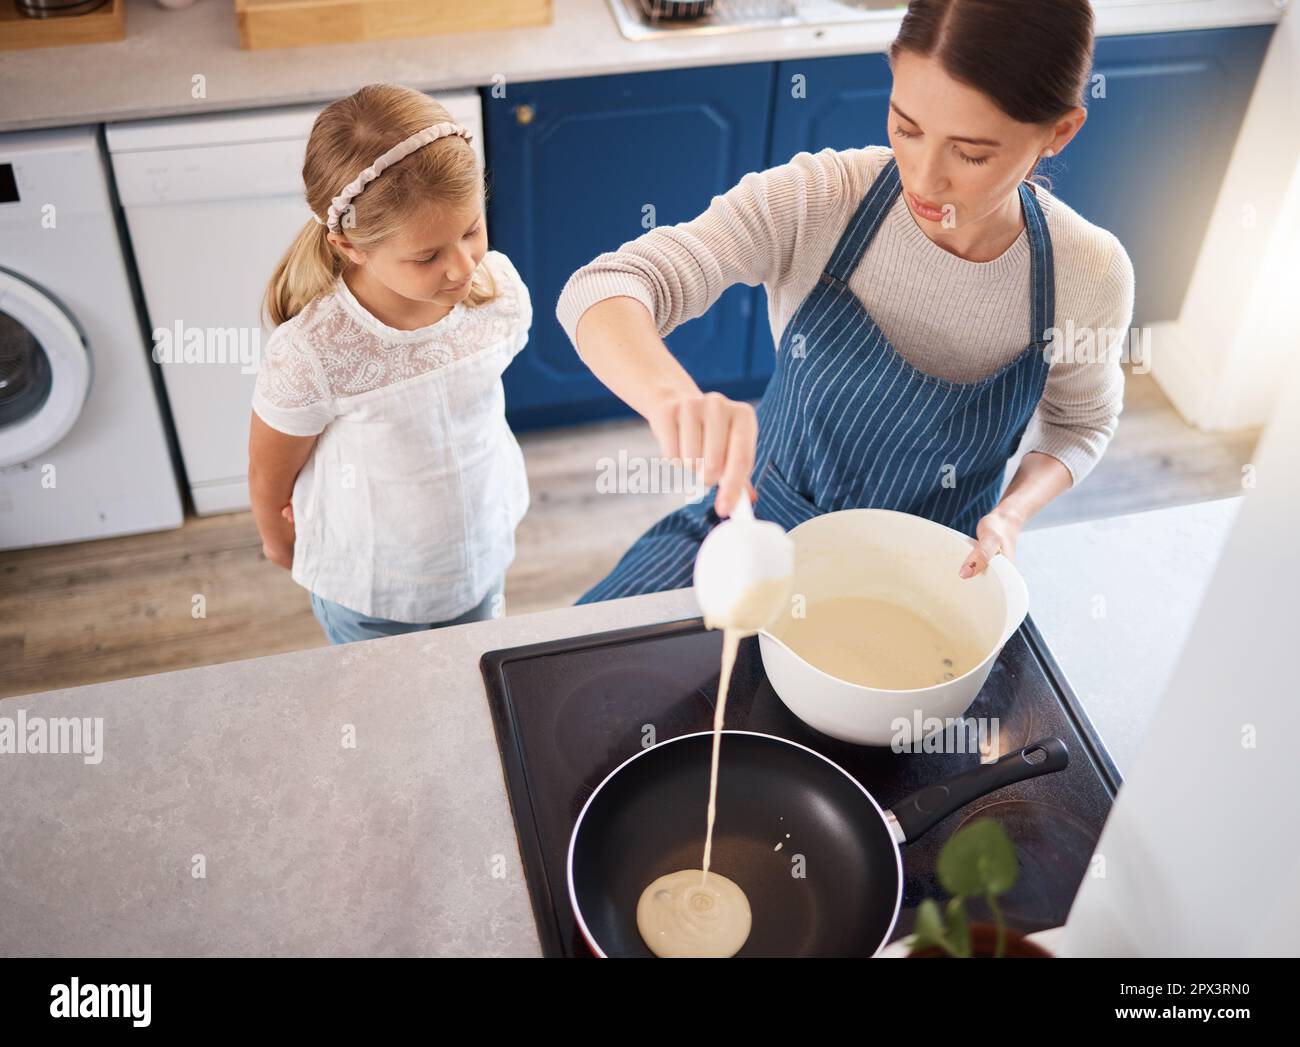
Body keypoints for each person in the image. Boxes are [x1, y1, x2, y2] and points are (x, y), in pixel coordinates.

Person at [560, 0, 1132, 604]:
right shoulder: (823, 200)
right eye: (906, 128)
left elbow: (1080, 423)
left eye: (970, 153)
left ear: (1059, 132)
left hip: (929, 578)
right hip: (755, 536)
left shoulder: (1086, 271)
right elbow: (605, 286)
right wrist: (674, 400)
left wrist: (1012, 512)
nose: (924, 179)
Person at [249, 84, 532, 643]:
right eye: (426, 256)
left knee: (473, 684)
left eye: (471, 230)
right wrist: (276, 539)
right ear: (350, 247)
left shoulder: (497, 294)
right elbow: (268, 471)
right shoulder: (315, 352)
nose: (461, 267)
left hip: (477, 553)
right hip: (369, 583)